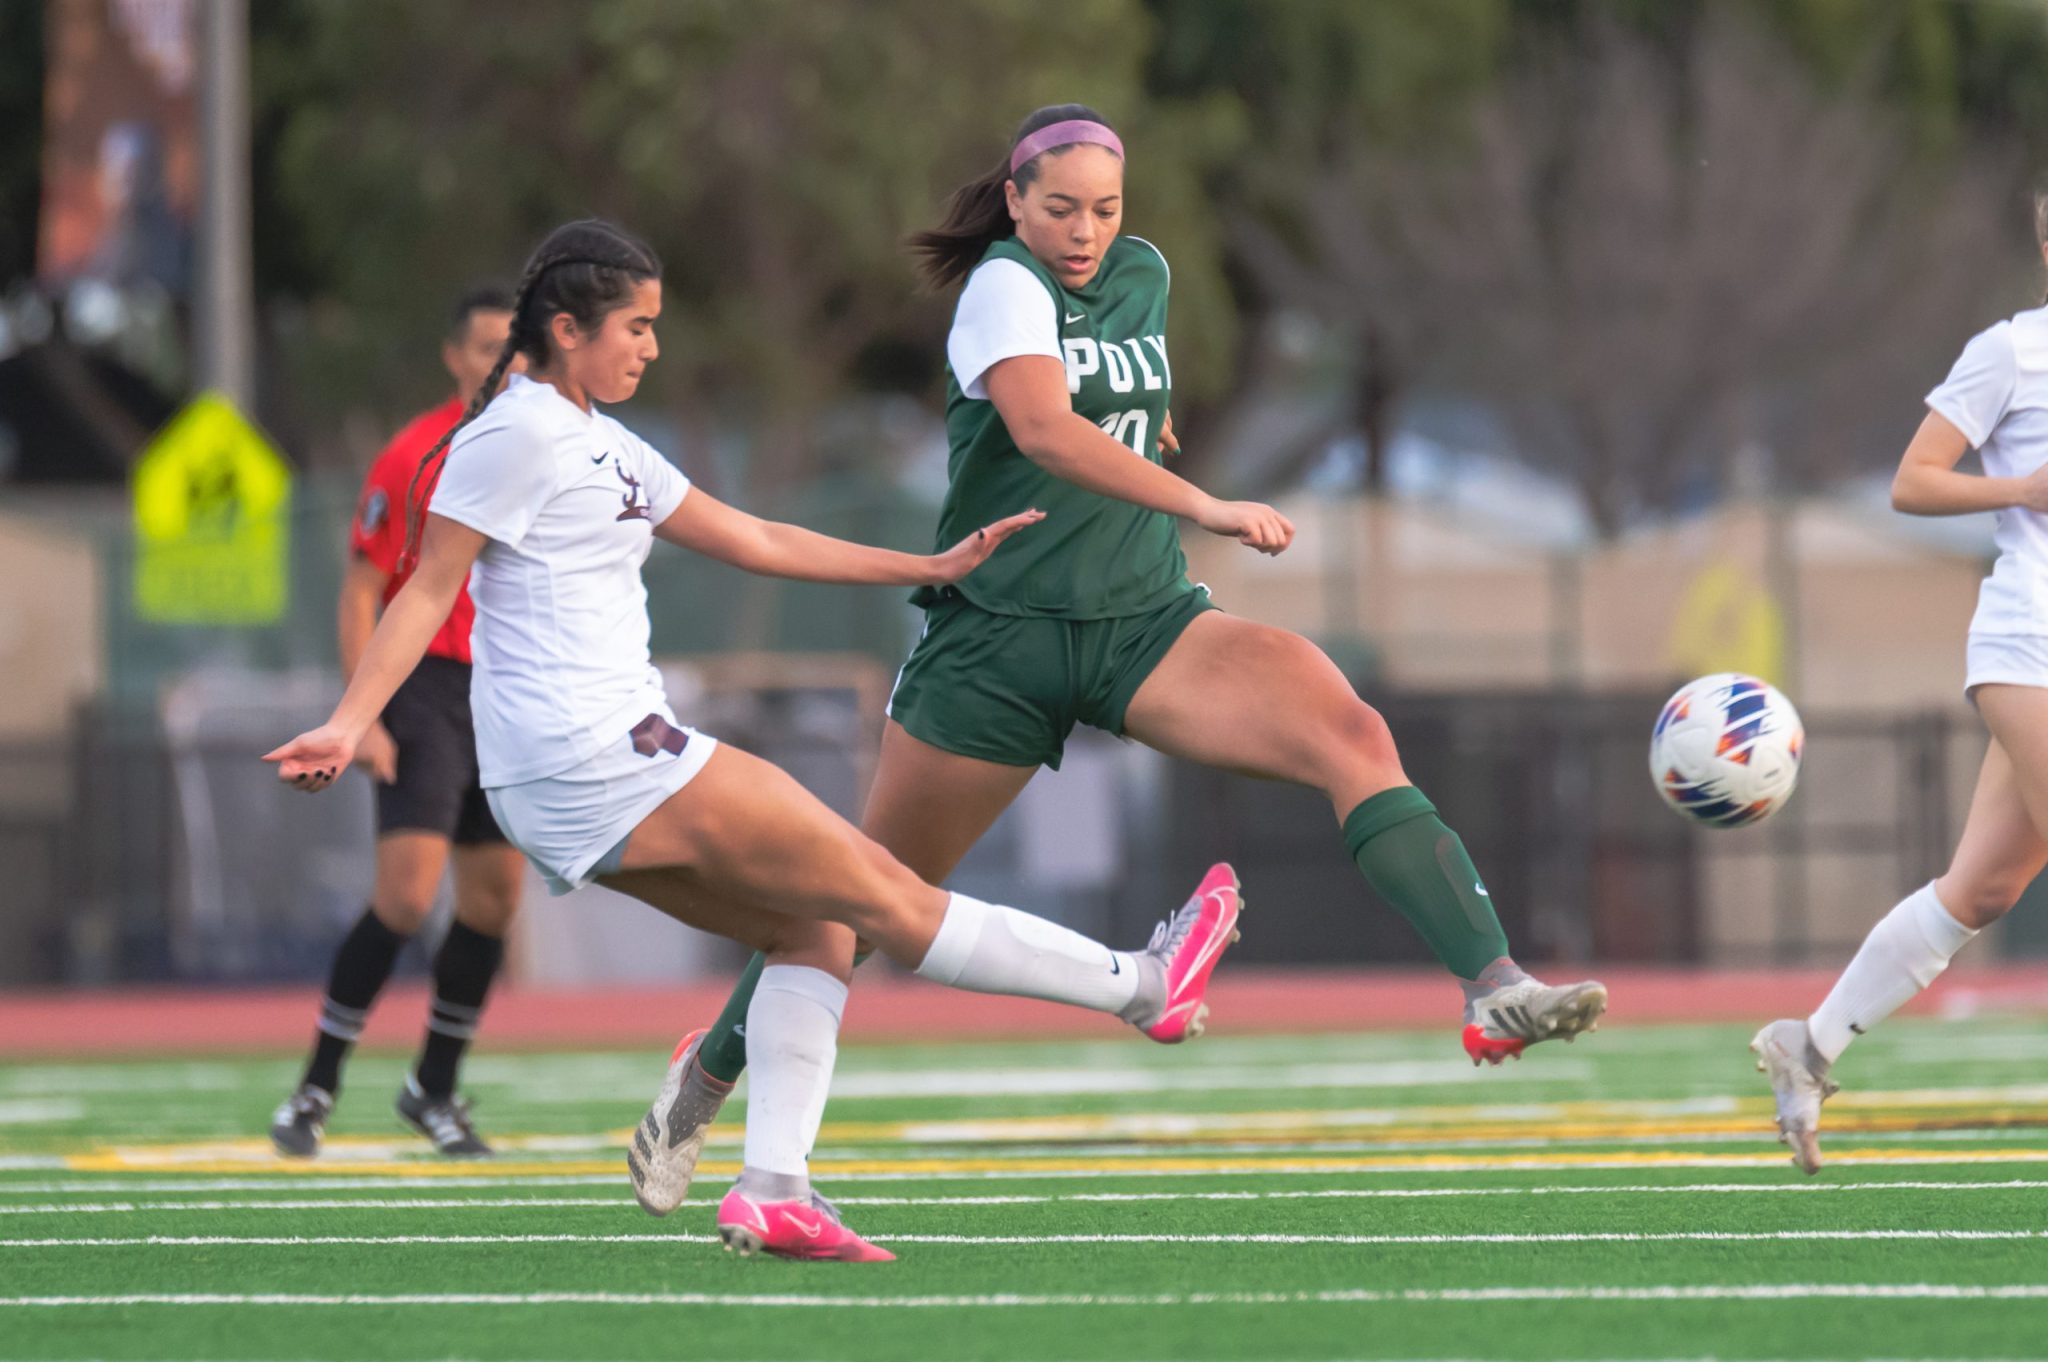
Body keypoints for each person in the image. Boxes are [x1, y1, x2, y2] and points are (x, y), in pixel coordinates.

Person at [629, 104, 1610, 1217]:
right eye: (1059, 208)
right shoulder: (1002, 283)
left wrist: (1156, 442)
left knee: (1350, 733)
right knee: (855, 902)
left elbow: (1117, 408)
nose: (1086, 230)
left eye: (1104, 207)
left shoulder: (1142, 272)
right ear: (1013, 200)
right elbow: (1044, 430)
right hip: (998, 641)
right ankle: (699, 1083)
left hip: (1145, 623)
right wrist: (1204, 503)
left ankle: (1493, 986)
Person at [265, 218, 1243, 1262]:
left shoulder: (597, 437)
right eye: (633, 327)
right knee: (884, 892)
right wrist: (347, 719)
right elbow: (425, 590)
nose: (649, 346)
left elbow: (759, 539)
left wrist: (935, 566)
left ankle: (774, 1185)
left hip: (566, 778)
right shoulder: (514, 434)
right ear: (564, 326)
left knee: (815, 929)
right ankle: (1141, 988)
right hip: (597, 752)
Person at [1754, 195, 2048, 1173]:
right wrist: (2017, 489)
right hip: (2027, 645)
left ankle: (1808, 1044)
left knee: (1982, 889)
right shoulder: (2009, 351)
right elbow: (1911, 480)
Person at [270, 284, 526, 1160]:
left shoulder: (545, 445)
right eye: (490, 346)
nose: (505, 362)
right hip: (422, 690)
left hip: (504, 691)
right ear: (457, 356)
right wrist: (363, 716)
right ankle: (316, 1087)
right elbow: (362, 588)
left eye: (516, 346)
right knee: (407, 896)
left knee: (495, 899)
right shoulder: (414, 453)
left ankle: (435, 1089)